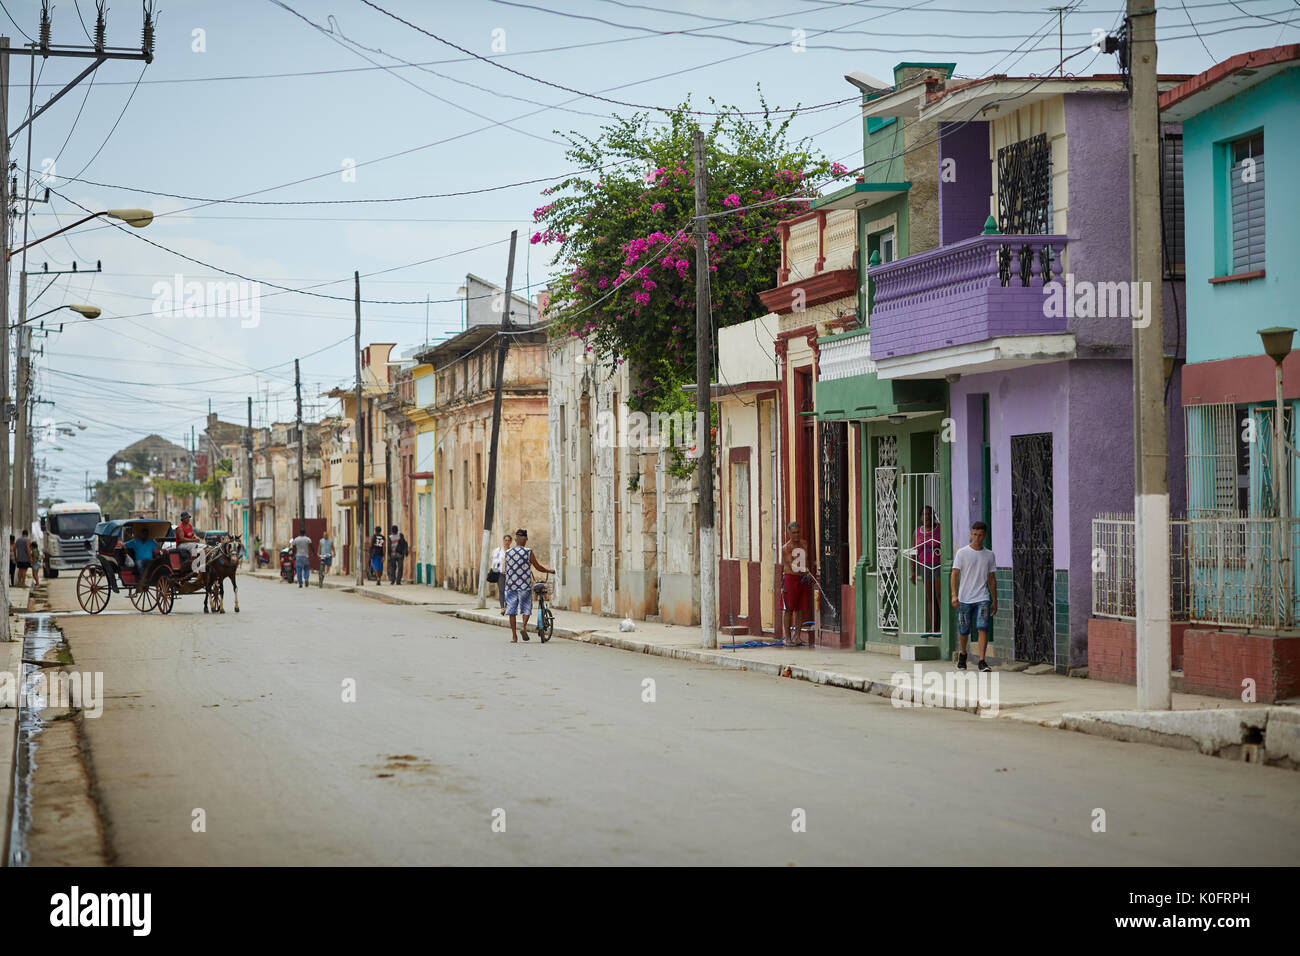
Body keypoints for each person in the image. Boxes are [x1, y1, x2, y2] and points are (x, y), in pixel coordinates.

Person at [950, 520, 998, 672]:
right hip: (964, 598)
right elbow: (954, 574)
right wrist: (954, 595)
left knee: (983, 627)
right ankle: (963, 653)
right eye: (975, 534)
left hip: (982, 597)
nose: (977, 538)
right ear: (971, 533)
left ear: (985, 536)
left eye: (980, 535)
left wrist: (994, 599)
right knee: (964, 629)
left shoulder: (989, 555)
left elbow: (991, 578)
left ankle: (982, 660)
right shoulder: (962, 553)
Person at [502, 528, 554, 642]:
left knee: (511, 610)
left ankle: (514, 636)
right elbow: (537, 566)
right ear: (525, 539)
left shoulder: (507, 552)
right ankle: (523, 626)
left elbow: (504, 569)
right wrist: (548, 571)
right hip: (524, 585)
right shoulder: (527, 551)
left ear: (515, 539)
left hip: (510, 585)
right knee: (526, 607)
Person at [910, 505, 942, 635]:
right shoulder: (917, 532)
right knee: (930, 597)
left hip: (938, 565)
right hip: (925, 566)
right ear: (921, 518)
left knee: (939, 595)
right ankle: (934, 628)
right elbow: (914, 552)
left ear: (934, 515)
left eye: (929, 514)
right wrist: (913, 571)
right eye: (924, 514)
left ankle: (943, 627)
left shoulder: (940, 529)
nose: (927, 517)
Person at [780, 521, 813, 645]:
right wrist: (803, 569)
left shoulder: (804, 544)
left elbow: (806, 560)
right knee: (788, 609)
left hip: (803, 579)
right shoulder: (786, 548)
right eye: (794, 533)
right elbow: (791, 564)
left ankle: (797, 637)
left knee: (800, 609)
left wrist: (807, 571)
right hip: (791, 579)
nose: (796, 535)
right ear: (789, 533)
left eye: (798, 532)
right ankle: (788, 638)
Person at [124, 525, 160, 591]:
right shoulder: (135, 541)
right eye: (143, 534)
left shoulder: (151, 542)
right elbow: (125, 544)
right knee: (139, 565)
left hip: (149, 560)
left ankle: (150, 578)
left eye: (146, 534)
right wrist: (125, 550)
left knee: (153, 564)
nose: (145, 535)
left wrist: (159, 549)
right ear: (141, 534)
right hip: (139, 560)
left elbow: (155, 551)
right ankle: (143, 579)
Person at [490, 534, 511, 615]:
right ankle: (502, 608)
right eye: (505, 540)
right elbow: (494, 561)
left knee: (509, 591)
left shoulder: (512, 551)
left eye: (508, 540)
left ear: (510, 542)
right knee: (502, 590)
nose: (507, 542)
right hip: (500, 573)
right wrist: (501, 561)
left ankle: (507, 606)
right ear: (503, 541)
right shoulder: (498, 550)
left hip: (510, 574)